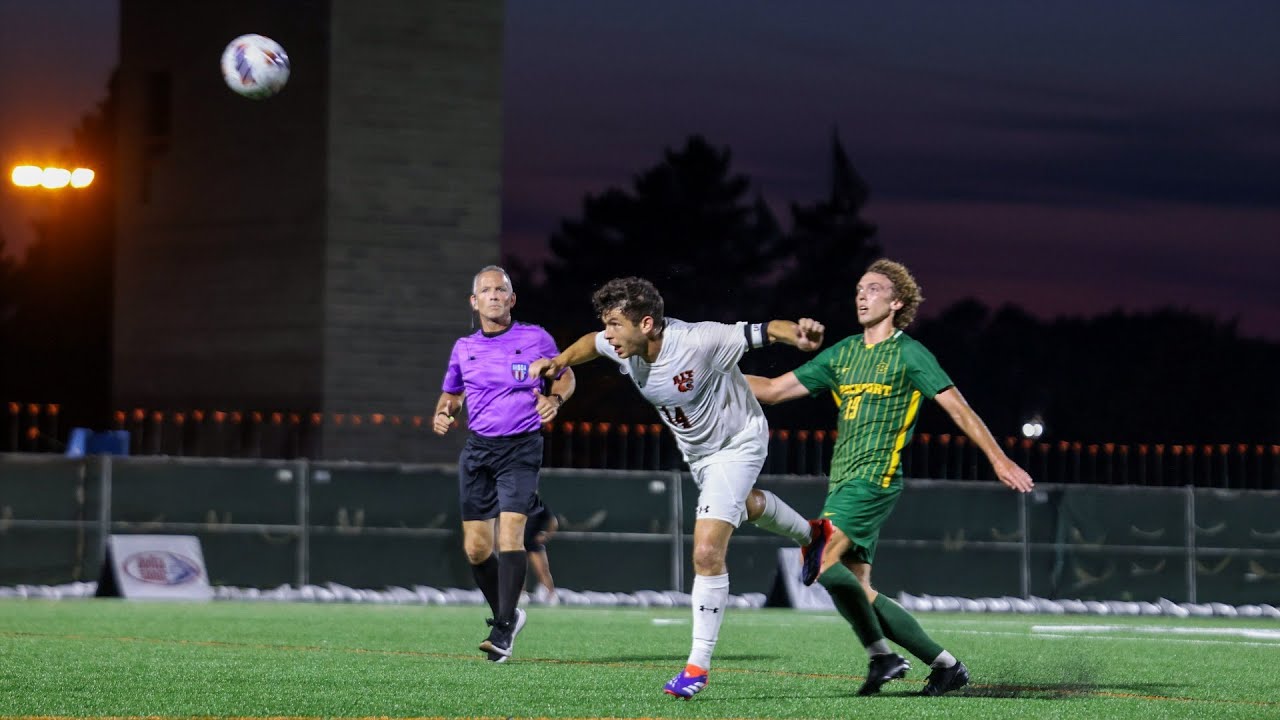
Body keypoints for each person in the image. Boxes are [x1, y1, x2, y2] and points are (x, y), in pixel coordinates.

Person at [748, 258, 1035, 697]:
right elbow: (772, 389)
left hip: (874, 480)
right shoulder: (843, 353)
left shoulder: (908, 352)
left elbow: (958, 408)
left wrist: (998, 458)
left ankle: (882, 657)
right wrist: (708, 375)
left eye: (875, 289)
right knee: (858, 588)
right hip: (843, 482)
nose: (862, 295)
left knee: (819, 560)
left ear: (897, 302)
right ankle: (946, 665)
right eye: (860, 288)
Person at [529, 276, 825, 699]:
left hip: (738, 442)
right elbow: (590, 344)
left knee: (706, 551)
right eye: (607, 324)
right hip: (700, 456)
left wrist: (798, 334)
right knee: (747, 505)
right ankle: (813, 534)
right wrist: (560, 361)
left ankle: (696, 667)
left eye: (615, 324)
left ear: (647, 323)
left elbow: (763, 330)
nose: (609, 334)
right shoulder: (618, 345)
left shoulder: (699, 340)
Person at [433, 265, 575, 663]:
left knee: (511, 535)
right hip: (478, 450)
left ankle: (503, 630)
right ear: (474, 301)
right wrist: (445, 412)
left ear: (512, 299)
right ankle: (508, 614)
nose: (494, 295)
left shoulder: (536, 338)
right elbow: (452, 393)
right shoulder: (464, 347)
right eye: (486, 290)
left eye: (501, 290)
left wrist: (556, 399)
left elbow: (566, 378)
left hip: (521, 447)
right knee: (477, 549)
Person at [524, 500, 559, 604]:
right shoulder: (514, 504)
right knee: (518, 571)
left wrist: (546, 535)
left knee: (542, 570)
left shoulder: (539, 505)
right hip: (517, 543)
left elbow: (553, 522)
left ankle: (551, 595)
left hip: (533, 543)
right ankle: (520, 595)